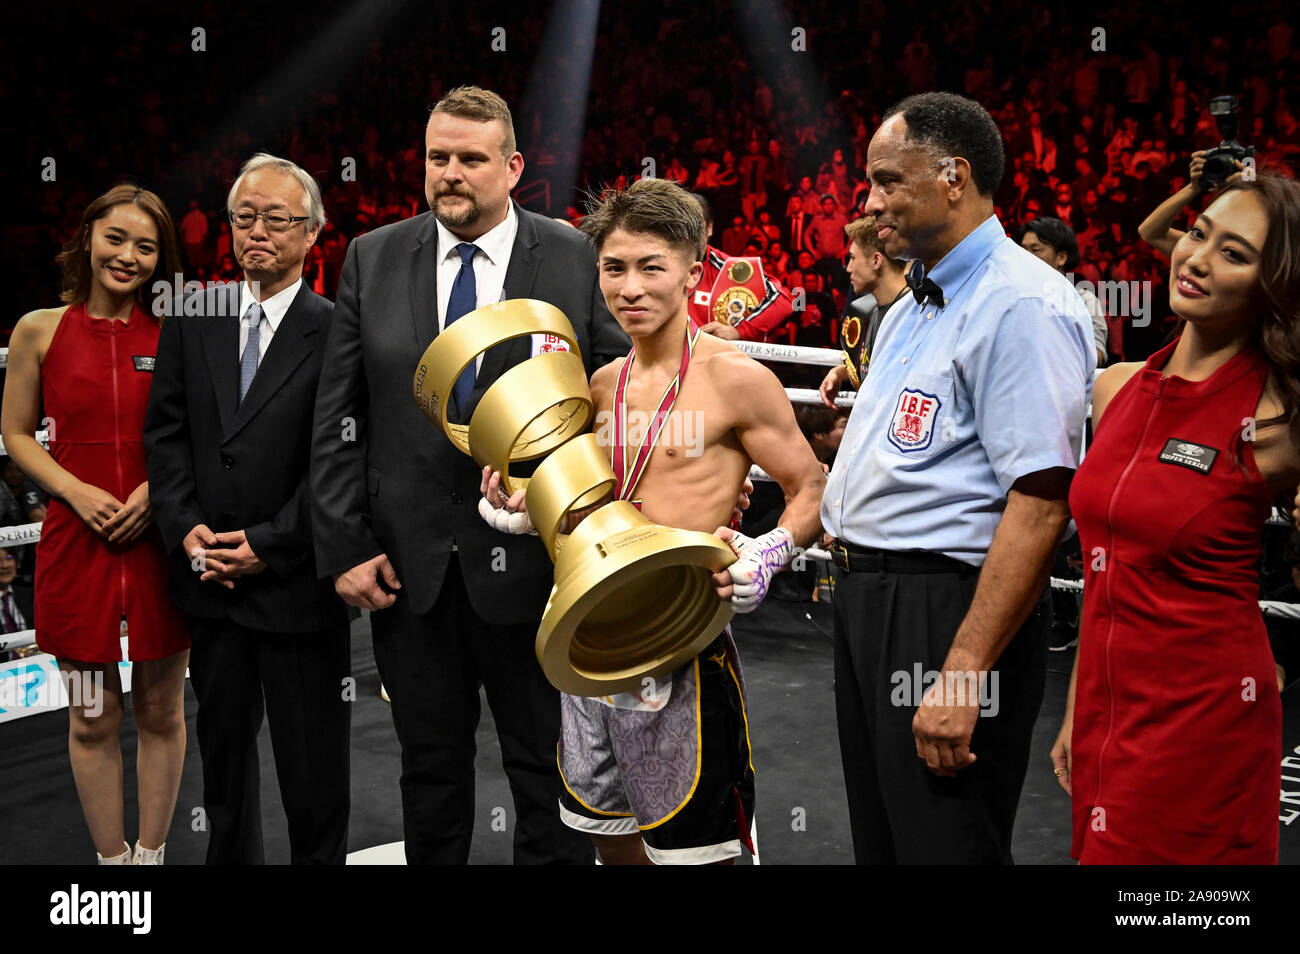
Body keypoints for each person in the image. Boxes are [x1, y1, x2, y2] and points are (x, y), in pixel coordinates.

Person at [310, 86, 628, 865]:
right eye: (438, 158)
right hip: (409, 570)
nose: (450, 173)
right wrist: (344, 543)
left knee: (547, 770)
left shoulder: (575, 254)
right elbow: (337, 416)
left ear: (512, 166)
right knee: (429, 775)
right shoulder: (372, 256)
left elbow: (621, 389)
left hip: (538, 563)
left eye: (471, 159)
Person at [480, 176, 827, 864]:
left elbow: (809, 486)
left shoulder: (735, 377)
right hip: (594, 645)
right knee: (614, 848)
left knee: (703, 855)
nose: (630, 287)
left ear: (694, 273)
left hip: (683, 644)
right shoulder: (599, 385)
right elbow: (590, 510)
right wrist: (524, 511)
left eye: (651, 267)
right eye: (614, 267)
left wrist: (768, 551)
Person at [823, 92, 1094, 864]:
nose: (870, 202)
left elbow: (1042, 502)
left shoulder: (1024, 305)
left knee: (945, 841)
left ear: (954, 176)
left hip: (943, 605)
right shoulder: (914, 302)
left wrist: (963, 669)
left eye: (887, 181)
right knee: (887, 840)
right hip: (872, 601)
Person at [1052, 172, 1300, 864]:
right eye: (1198, 234)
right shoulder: (1115, 387)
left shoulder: (1278, 417)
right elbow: (1103, 569)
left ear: (1270, 286)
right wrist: (1079, 706)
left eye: (1235, 253)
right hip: (1105, 711)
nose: (1197, 258)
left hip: (1207, 723)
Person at [144, 154, 351, 865]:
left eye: (278, 219)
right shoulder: (191, 316)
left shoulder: (336, 329)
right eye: (245, 216)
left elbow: (341, 459)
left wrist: (270, 542)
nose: (258, 231)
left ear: (313, 234)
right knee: (223, 771)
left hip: (295, 585)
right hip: (210, 588)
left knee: (312, 773)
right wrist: (184, 530)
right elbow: (165, 436)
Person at [0, 185, 190, 864]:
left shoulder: (176, 334)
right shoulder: (38, 328)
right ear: (87, 238)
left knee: (163, 712)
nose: (128, 256)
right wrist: (75, 492)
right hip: (73, 547)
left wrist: (154, 492)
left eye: (146, 246)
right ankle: (113, 866)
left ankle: (154, 855)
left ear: (160, 258)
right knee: (90, 714)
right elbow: (15, 433)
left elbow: (197, 437)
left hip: (159, 547)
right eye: (116, 238)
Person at [818, 214, 909, 408]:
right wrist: (839, 373)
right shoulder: (867, 311)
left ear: (876, 261)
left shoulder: (916, 315)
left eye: (852, 258)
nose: (848, 268)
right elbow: (876, 366)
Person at [685, 192, 794, 343]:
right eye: (681, 225)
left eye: (696, 225)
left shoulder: (729, 268)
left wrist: (738, 330)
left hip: (708, 360)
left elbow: (783, 301)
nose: (689, 233)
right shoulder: (656, 265)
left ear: (709, 228)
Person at [1020, 217, 1108, 367]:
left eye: (1035, 250)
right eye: (1023, 250)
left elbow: (1096, 355)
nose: (1025, 257)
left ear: (1061, 258)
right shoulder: (1016, 298)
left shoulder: (1085, 301)